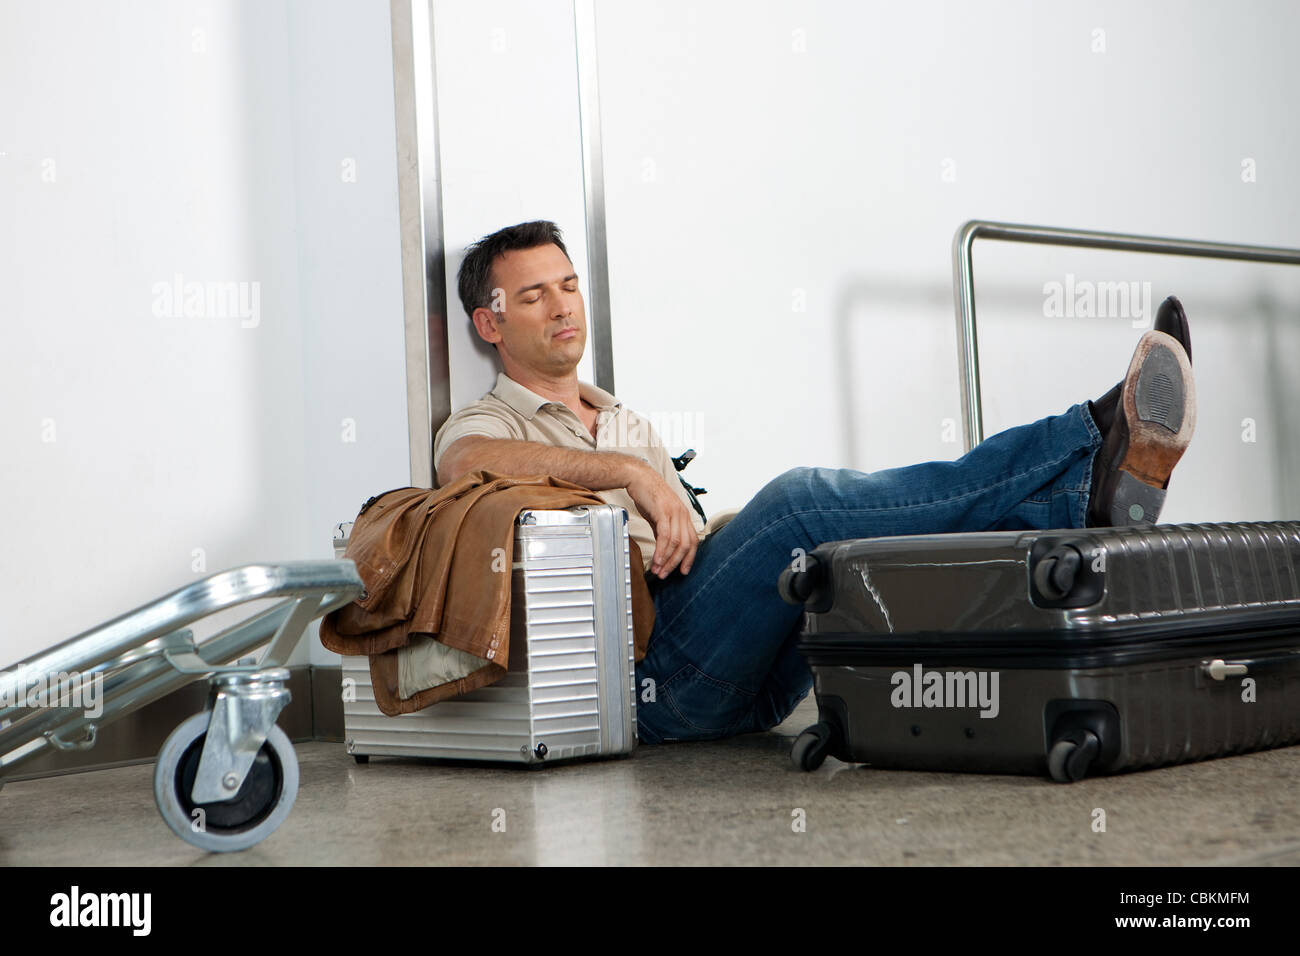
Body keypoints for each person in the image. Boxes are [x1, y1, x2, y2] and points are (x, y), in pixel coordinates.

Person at [433, 220, 1196, 744]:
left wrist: (698, 522)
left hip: (747, 683)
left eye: (568, 285)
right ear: (489, 325)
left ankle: (1080, 499)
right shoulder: (484, 425)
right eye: (533, 296)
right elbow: (466, 470)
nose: (562, 305)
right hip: (648, 686)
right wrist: (628, 475)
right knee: (799, 503)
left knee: (853, 543)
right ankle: (1087, 438)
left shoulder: (625, 420)